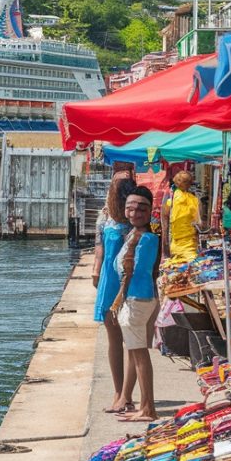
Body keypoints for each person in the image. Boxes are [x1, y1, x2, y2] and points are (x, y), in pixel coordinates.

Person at [111, 186, 161, 422]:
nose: (134, 213)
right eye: (130, 208)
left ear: (150, 211)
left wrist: (120, 296)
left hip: (137, 299)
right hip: (131, 298)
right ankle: (144, 406)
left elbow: (137, 270)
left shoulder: (148, 238)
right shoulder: (133, 235)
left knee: (139, 354)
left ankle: (148, 408)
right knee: (136, 352)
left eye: (141, 208)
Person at [92, 173, 137, 411]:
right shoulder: (105, 217)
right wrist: (95, 272)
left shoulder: (134, 219)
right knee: (114, 339)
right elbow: (99, 248)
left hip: (128, 281)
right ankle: (119, 391)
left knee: (130, 340)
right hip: (109, 281)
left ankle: (125, 394)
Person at [161, 169, 202, 262]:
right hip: (189, 244)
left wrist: (165, 244)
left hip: (175, 243)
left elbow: (165, 225)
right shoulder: (195, 200)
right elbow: (199, 224)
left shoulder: (170, 200)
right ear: (190, 184)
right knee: (191, 265)